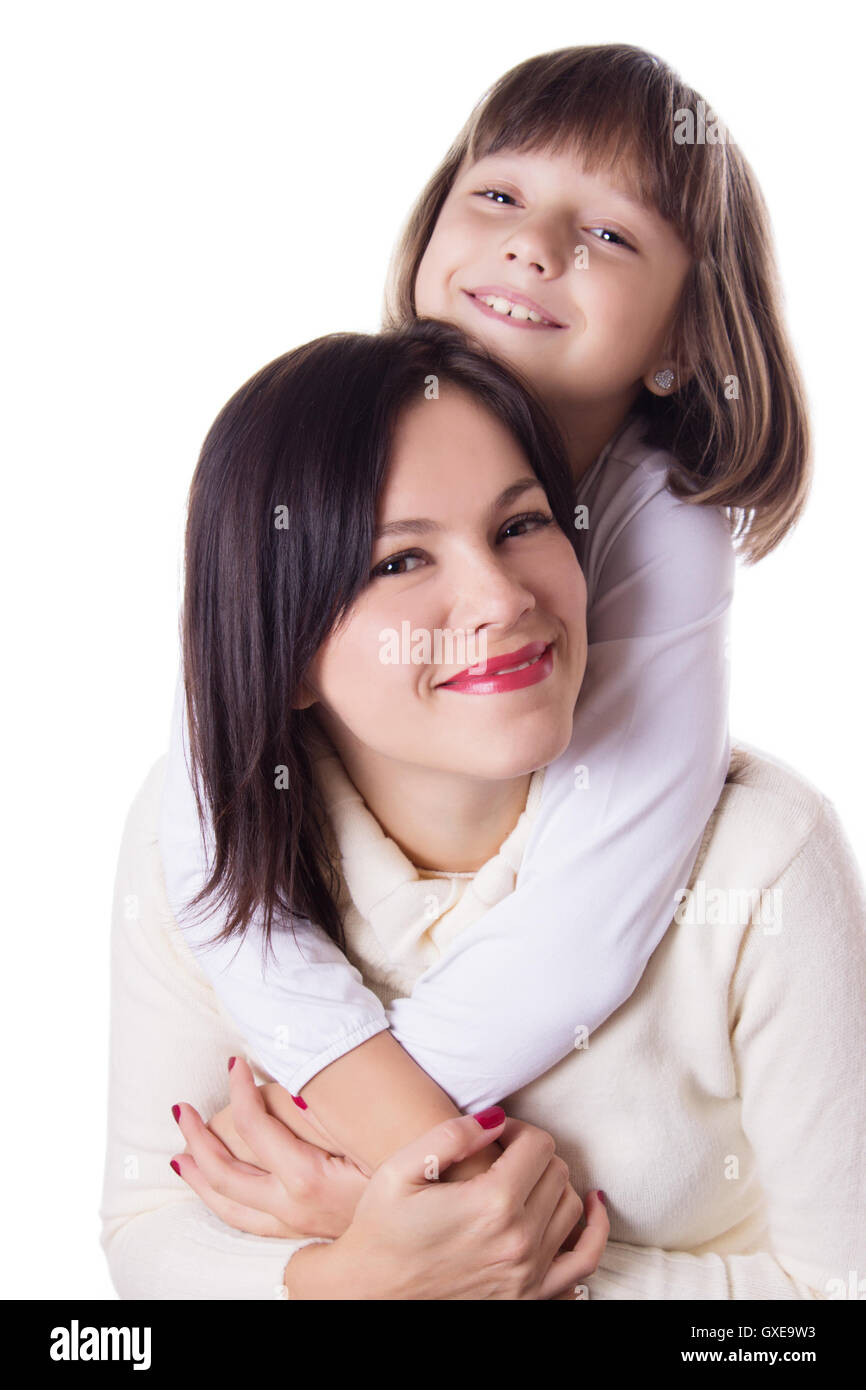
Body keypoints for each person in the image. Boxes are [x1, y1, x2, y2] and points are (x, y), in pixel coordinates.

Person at [101, 324, 866, 1300]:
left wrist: (476, 1262)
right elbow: (147, 1235)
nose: (501, 599)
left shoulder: (762, 863)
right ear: (285, 651)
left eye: (519, 525)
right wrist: (355, 1277)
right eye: (398, 563)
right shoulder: (195, 834)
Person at [157, 46, 809, 1170]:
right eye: (498, 195)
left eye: (609, 234)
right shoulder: (327, 441)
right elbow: (211, 818)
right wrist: (363, 1121)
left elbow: (584, 919)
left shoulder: (667, 526)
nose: (534, 243)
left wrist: (369, 1169)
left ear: (682, 340)